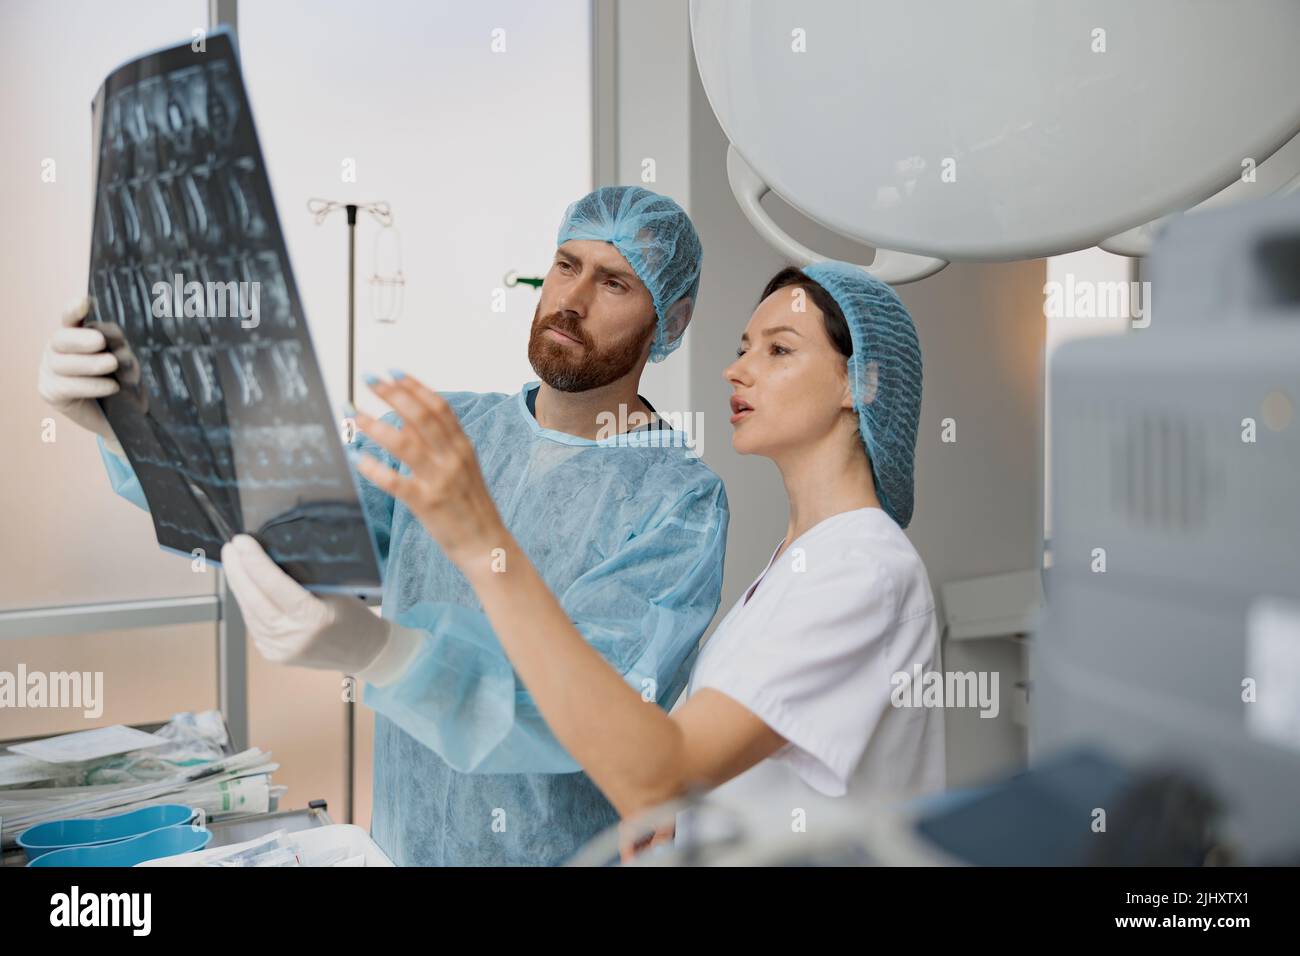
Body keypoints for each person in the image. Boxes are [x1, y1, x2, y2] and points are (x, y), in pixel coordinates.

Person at [37, 185, 729, 866]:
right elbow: (281, 521)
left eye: (614, 284)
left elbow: (589, 722)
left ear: (668, 321)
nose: (571, 302)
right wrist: (124, 426)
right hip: (401, 843)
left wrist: (385, 653)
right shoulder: (441, 430)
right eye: (566, 265)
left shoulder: (679, 505)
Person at [342, 258, 945, 858]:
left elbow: (661, 765)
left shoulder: (861, 569)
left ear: (860, 382)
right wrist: (685, 812)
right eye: (743, 347)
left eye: (778, 351)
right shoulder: (798, 563)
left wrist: (483, 546)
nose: (736, 370)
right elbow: (718, 763)